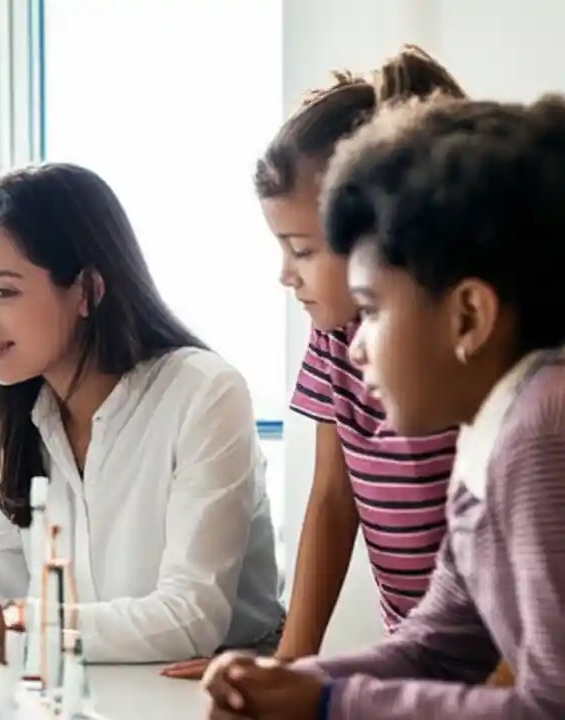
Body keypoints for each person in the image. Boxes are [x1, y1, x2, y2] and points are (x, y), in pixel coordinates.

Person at [203, 94, 565, 719]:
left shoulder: (540, 429)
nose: (358, 348)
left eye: (370, 310)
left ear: (468, 316)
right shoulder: (491, 431)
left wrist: (329, 703)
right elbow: (435, 647)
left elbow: (551, 704)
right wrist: (286, 681)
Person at [0, 163, 285, 662]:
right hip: (88, 689)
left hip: (216, 691)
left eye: (2, 291)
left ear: (87, 290)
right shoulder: (29, 416)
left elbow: (191, 617)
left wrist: (10, 629)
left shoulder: (203, 393)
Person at [162, 46, 468, 681]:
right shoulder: (335, 338)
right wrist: (291, 664)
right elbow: (333, 496)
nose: (285, 275)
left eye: (301, 249)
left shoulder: (463, 361)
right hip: (419, 654)